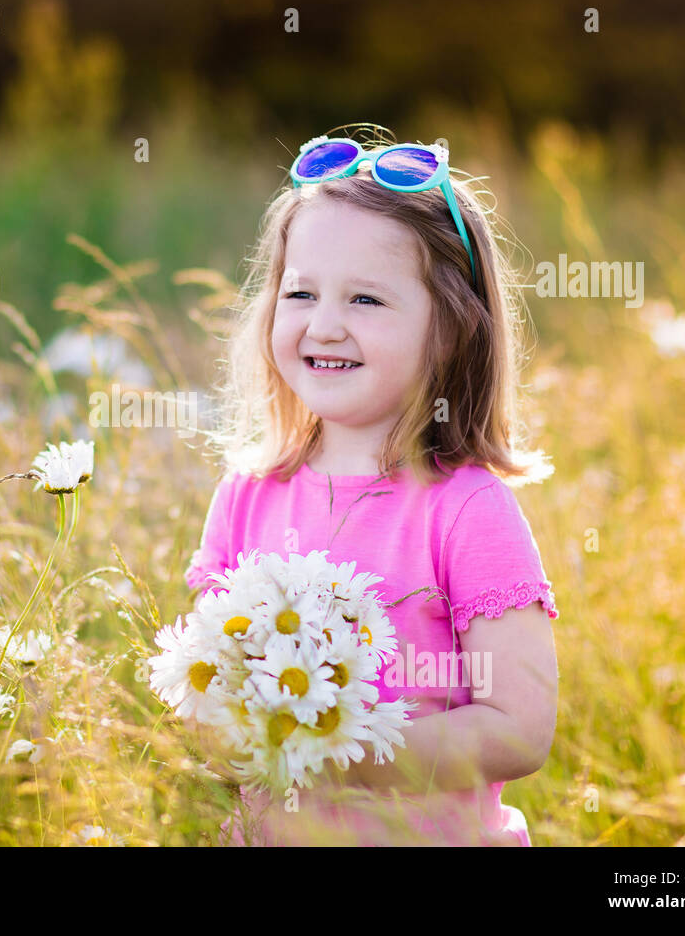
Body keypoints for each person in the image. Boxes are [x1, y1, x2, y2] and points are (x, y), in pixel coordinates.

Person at [184, 124, 560, 846]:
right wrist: (224, 735)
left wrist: (343, 750)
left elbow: (519, 730)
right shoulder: (246, 496)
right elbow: (204, 690)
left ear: (449, 329)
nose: (324, 326)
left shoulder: (467, 511)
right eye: (301, 293)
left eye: (365, 301)